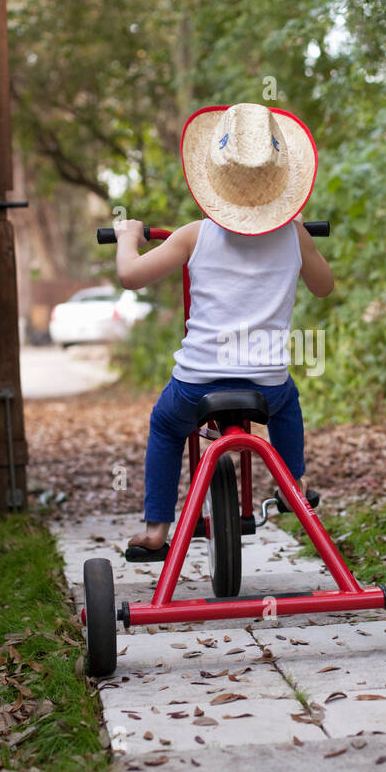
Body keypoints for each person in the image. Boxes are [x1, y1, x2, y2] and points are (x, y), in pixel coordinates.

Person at [113, 101, 334, 559]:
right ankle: (296, 486)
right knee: (288, 403)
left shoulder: (193, 236)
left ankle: (156, 531)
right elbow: (324, 288)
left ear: (213, 182)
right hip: (266, 388)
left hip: (197, 385)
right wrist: (303, 245)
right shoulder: (295, 235)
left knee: (165, 425)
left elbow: (130, 277)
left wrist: (127, 239)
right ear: (281, 183)